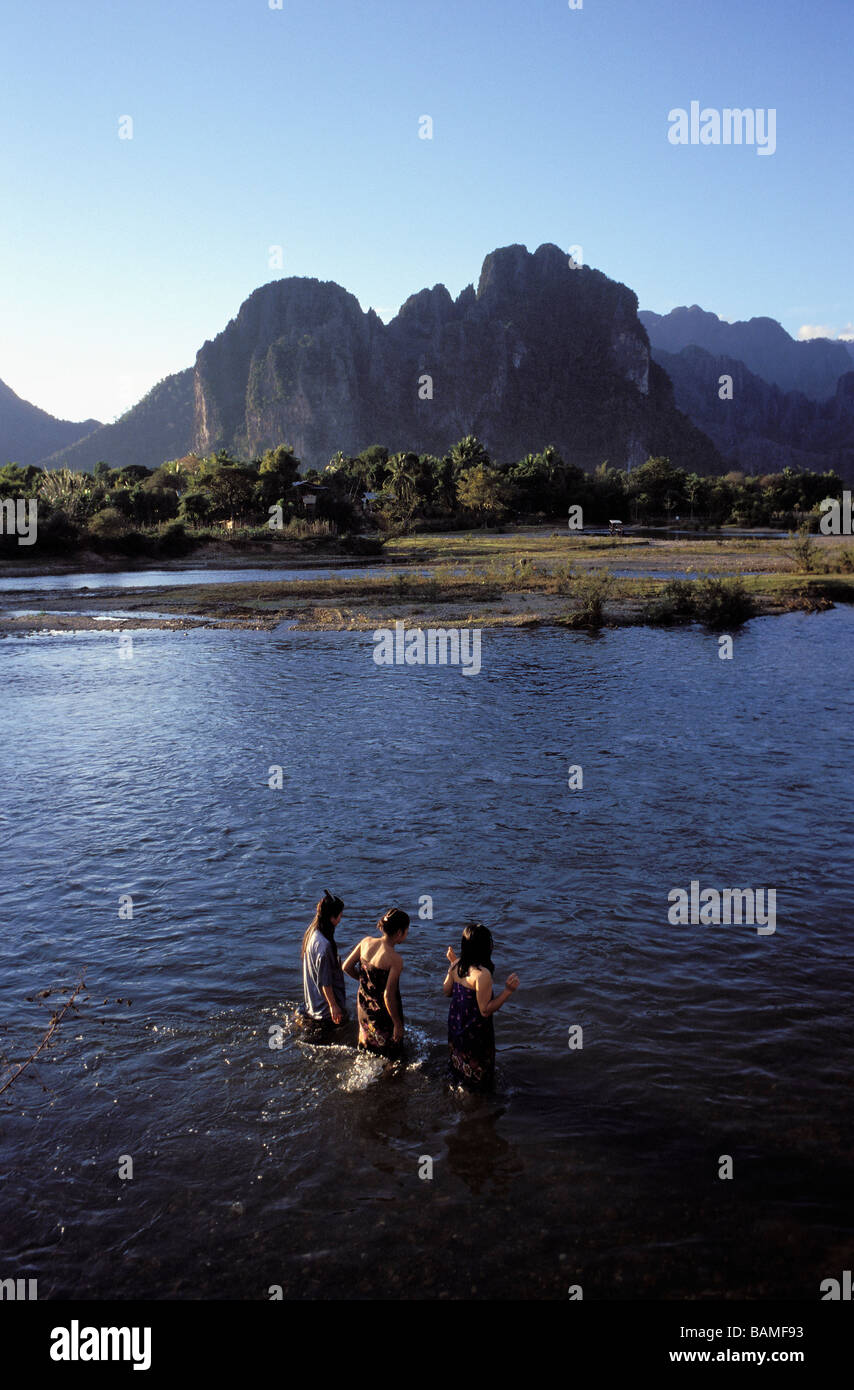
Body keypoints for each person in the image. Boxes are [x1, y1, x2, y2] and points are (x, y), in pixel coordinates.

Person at [443, 923, 518, 1090]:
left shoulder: (457, 965)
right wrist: (507, 991)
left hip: (456, 1027)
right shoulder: (482, 974)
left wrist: (452, 965)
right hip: (474, 1033)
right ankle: (478, 1103)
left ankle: (458, 1090)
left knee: (459, 1066)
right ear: (485, 947)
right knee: (480, 1079)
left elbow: (446, 991)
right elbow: (485, 1010)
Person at [342, 909, 410, 1058]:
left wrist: (365, 982)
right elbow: (388, 996)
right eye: (406, 931)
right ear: (399, 932)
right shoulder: (395, 960)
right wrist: (397, 1024)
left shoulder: (366, 942)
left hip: (363, 1007)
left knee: (367, 1048)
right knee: (391, 1056)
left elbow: (346, 967)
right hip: (382, 1014)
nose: (407, 934)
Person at [296, 890, 347, 1036]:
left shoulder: (312, 933)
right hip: (324, 1011)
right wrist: (333, 1006)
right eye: (339, 916)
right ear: (332, 917)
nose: (340, 920)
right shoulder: (324, 946)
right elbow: (325, 982)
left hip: (312, 1004)